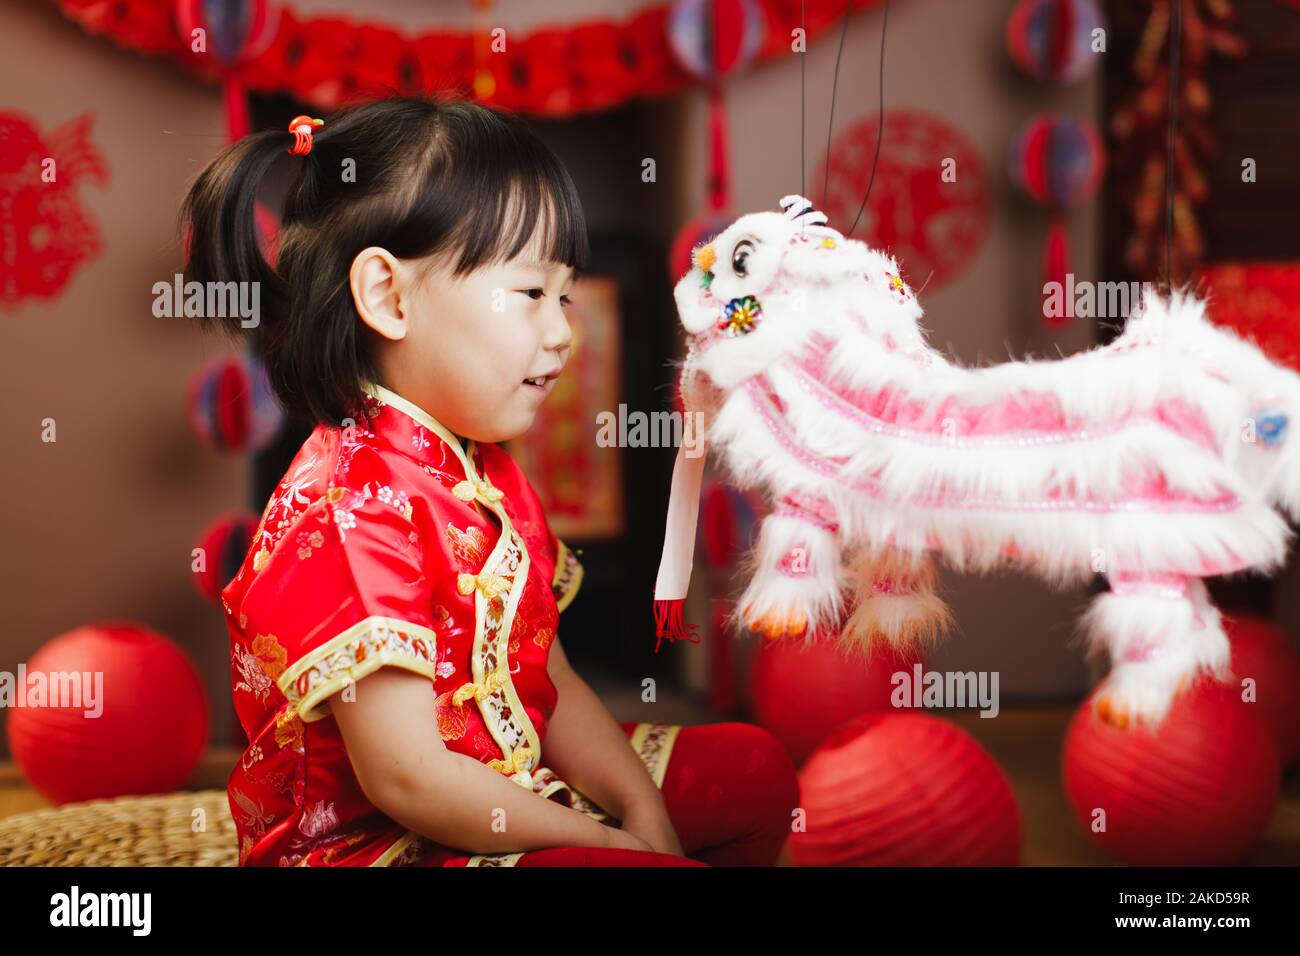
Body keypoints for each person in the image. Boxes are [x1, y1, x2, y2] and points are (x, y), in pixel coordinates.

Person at [180, 96, 799, 867]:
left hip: (512, 781)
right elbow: (409, 779)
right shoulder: (348, 509)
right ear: (389, 297)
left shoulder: (484, 468)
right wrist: (607, 839)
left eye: (566, 294)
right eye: (532, 293)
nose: (563, 331)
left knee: (753, 770)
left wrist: (640, 806)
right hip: (387, 842)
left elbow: (554, 683)